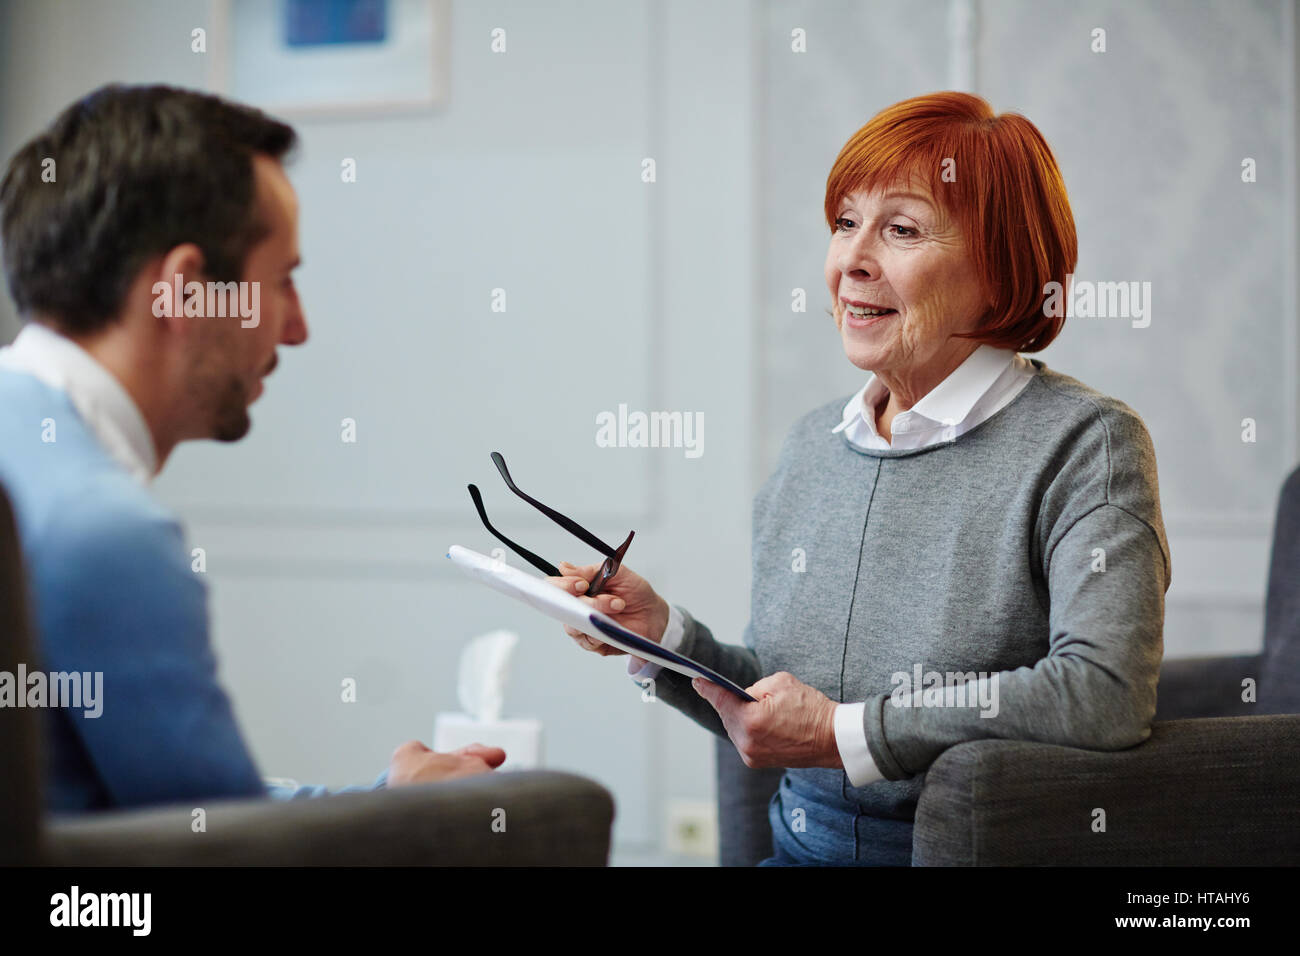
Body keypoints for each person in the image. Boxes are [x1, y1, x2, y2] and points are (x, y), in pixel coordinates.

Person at [553, 91, 1171, 866]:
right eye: (845, 223)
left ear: (1001, 268)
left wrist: (849, 734)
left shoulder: (1085, 442)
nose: (850, 261)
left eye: (901, 229)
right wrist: (664, 639)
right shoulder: (816, 444)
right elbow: (786, 707)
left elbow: (1102, 694)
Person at [0, 84, 504, 813]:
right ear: (185, 291)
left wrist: (373, 799)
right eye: (282, 281)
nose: (296, 328)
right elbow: (221, 848)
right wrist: (401, 817)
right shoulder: (103, 533)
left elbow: (169, 810)